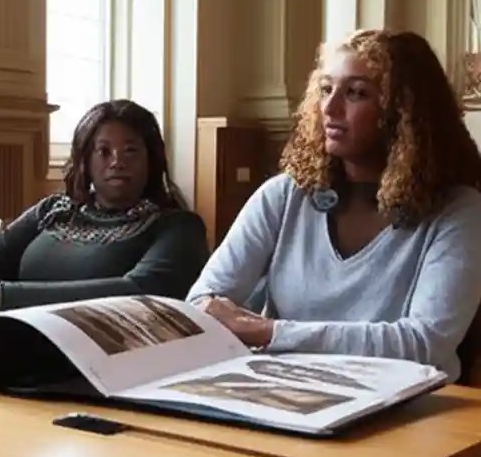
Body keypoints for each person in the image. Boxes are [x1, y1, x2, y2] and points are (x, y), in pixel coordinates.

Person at [187, 29, 481, 382]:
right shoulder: (283, 196)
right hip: (281, 391)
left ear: (404, 110)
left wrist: (270, 332)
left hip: (404, 408)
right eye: (326, 89)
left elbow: (424, 343)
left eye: (356, 93)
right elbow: (203, 301)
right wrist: (231, 319)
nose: (329, 107)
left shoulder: (460, 210)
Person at [0, 100, 209, 323]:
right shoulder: (53, 210)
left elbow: (137, 291)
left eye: (130, 150)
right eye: (103, 151)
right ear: (85, 161)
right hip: (17, 340)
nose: (117, 161)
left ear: (151, 159)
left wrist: (3, 298)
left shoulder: (179, 227)